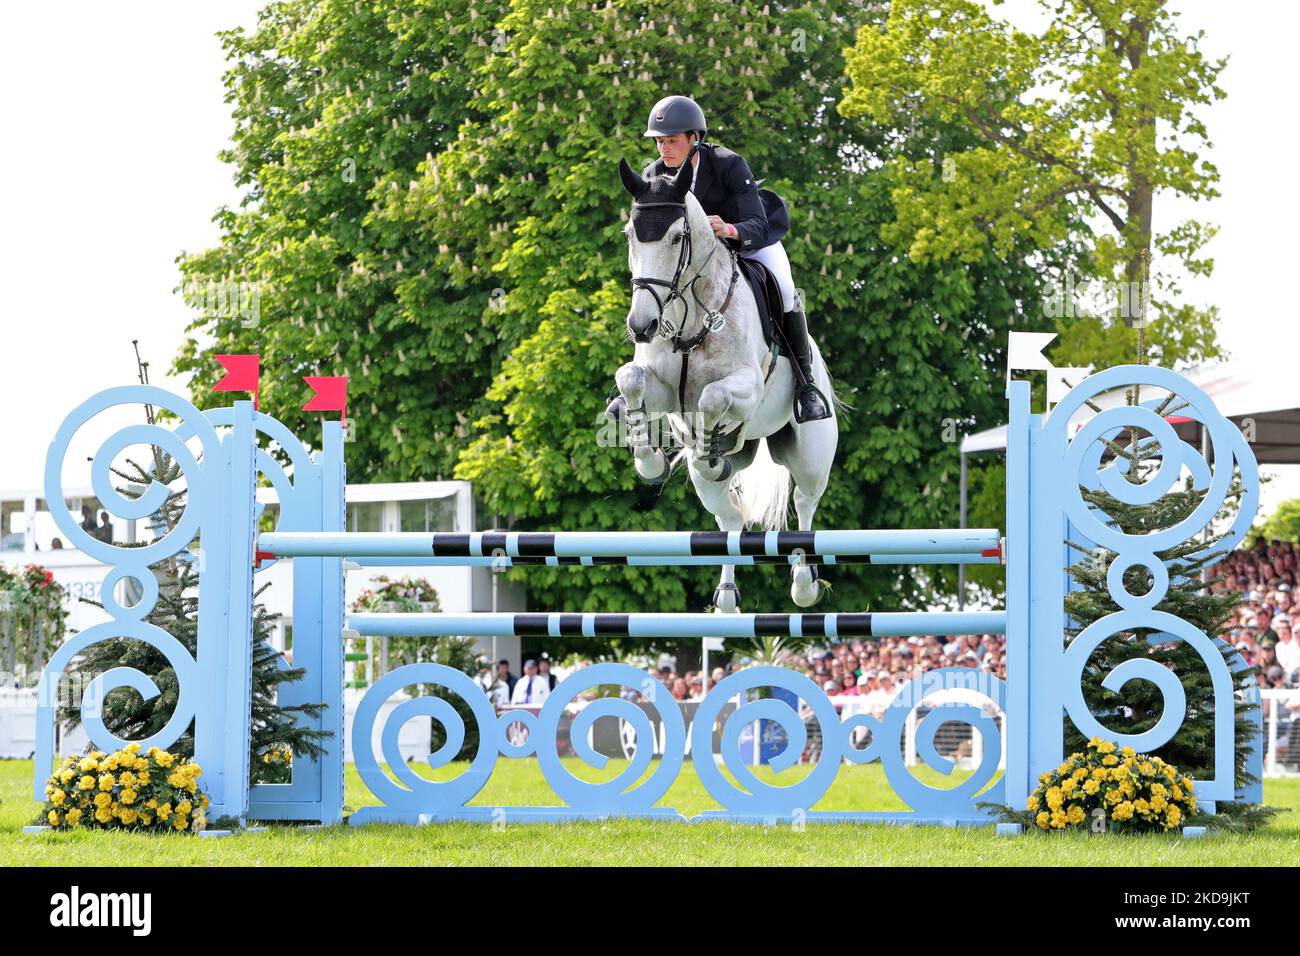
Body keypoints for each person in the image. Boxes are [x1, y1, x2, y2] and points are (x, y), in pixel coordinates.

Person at [640, 95, 830, 423]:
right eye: (658, 141)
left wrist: (727, 228)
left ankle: (805, 384)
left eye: (671, 141)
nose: (663, 149)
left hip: (747, 240)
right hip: (697, 258)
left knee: (785, 288)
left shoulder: (729, 163)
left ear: (694, 138)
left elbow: (757, 221)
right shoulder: (655, 174)